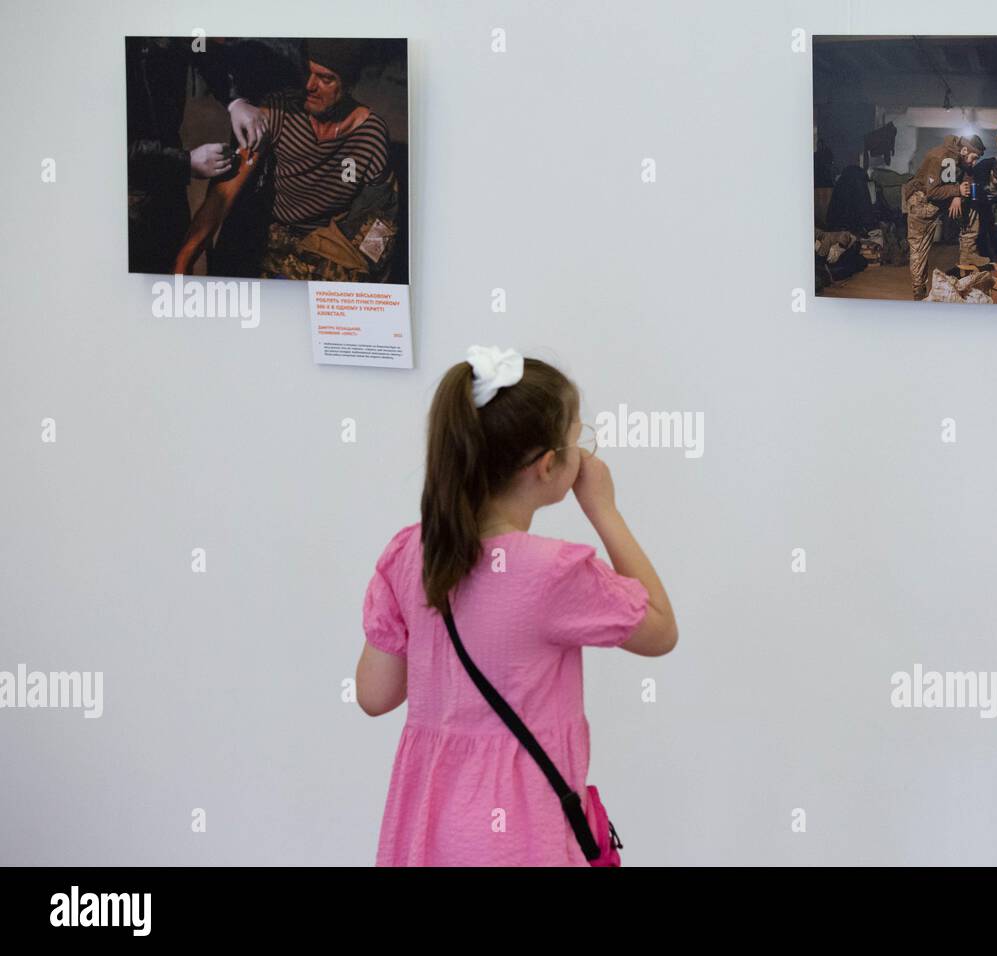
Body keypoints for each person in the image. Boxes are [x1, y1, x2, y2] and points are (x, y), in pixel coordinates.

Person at [356, 346, 678, 866]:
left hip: (427, 835)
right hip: (520, 838)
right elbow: (660, 631)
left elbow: (374, 695)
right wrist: (605, 510)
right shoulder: (553, 573)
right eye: (579, 440)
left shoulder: (406, 554)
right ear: (549, 466)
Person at [172, 39, 401, 282]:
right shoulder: (280, 110)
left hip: (330, 242)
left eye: (325, 79)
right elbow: (223, 196)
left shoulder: (370, 135)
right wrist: (183, 260)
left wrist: (364, 279)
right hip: (276, 240)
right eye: (308, 73)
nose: (310, 86)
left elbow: (382, 219)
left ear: (348, 84)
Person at [125, 36, 269, 274]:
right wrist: (185, 163)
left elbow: (203, 50)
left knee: (172, 277)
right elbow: (114, 153)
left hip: (167, 189)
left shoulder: (173, 37)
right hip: (125, 201)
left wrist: (234, 100)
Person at [902, 134, 985, 299]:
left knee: (971, 209)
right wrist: (956, 191)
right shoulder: (940, 157)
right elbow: (932, 192)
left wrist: (958, 197)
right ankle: (919, 292)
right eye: (973, 158)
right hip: (922, 202)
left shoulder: (961, 157)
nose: (974, 162)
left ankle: (968, 254)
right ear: (964, 150)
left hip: (942, 200)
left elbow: (967, 174)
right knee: (919, 249)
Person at [958, 157, 997, 268]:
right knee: (973, 210)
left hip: (996, 200)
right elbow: (969, 194)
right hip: (978, 201)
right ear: (992, 173)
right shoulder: (981, 169)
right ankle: (968, 253)